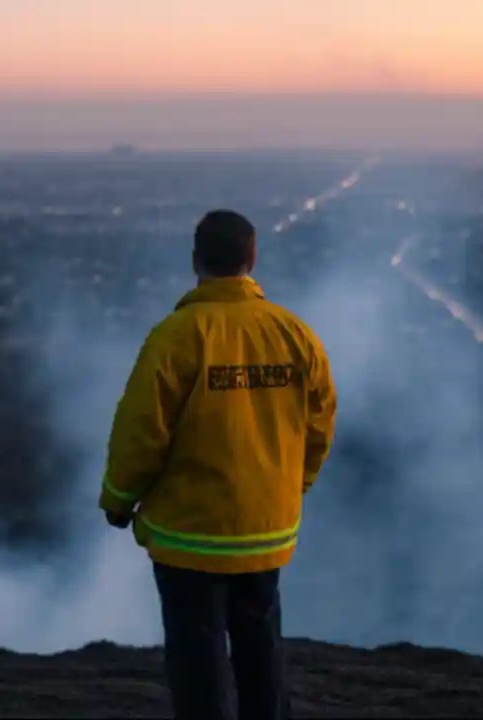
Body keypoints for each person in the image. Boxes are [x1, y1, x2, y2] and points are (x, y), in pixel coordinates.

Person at [99, 209, 337, 720]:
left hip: (191, 537)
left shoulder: (177, 336)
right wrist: (293, 487)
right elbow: (319, 426)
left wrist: (119, 501)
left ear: (195, 261)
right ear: (252, 259)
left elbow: (141, 433)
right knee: (261, 647)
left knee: (197, 658)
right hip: (266, 528)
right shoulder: (295, 333)